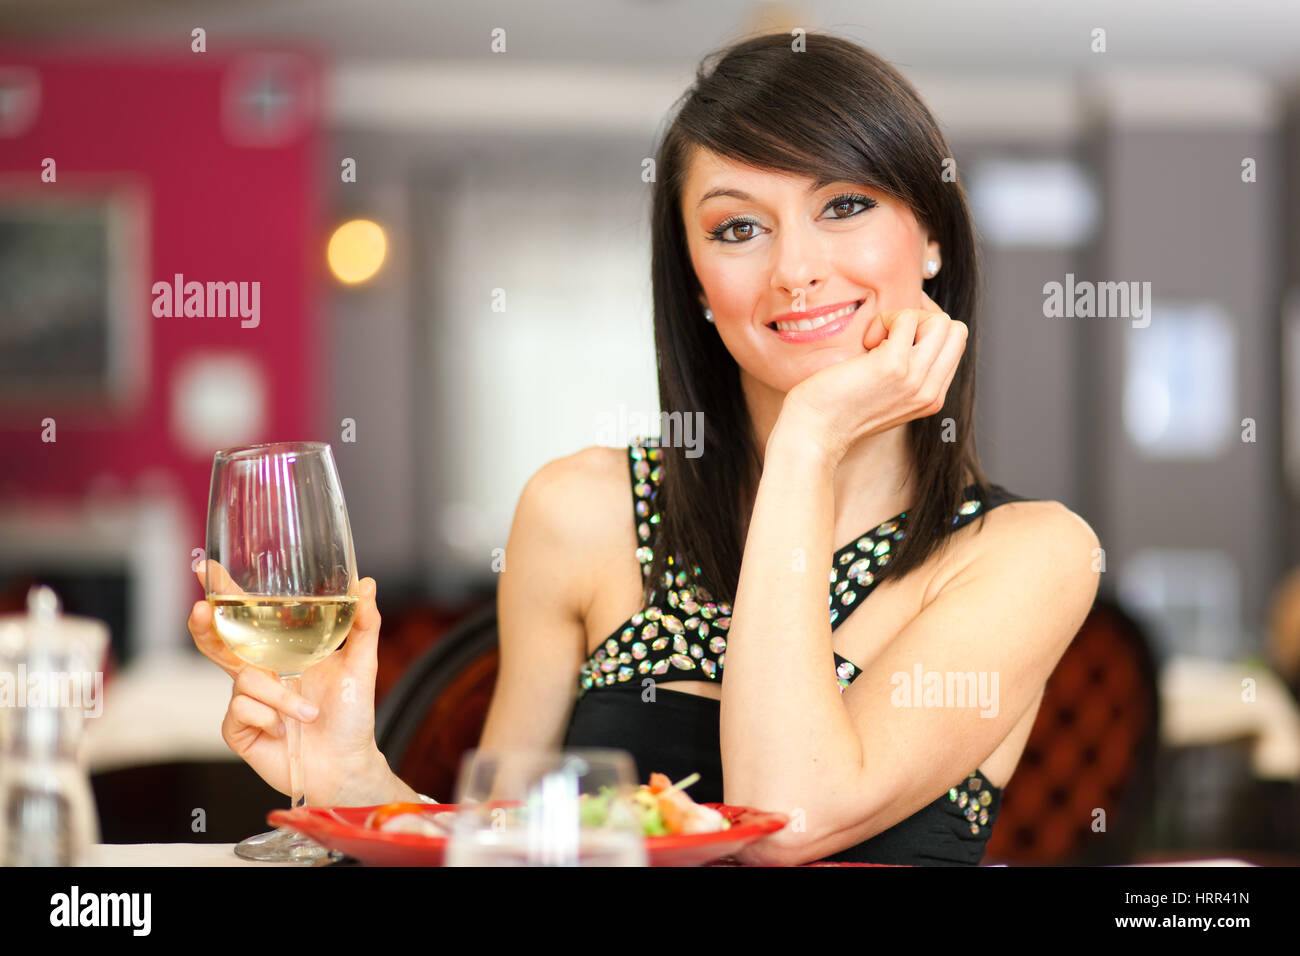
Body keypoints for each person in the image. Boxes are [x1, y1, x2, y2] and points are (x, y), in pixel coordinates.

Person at [189, 30, 1101, 865]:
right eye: (738, 227)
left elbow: (791, 819)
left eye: (846, 205)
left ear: (933, 236)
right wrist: (355, 781)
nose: (794, 269)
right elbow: (507, 853)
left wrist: (806, 443)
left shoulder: (1026, 555)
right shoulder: (581, 512)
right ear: (698, 281)